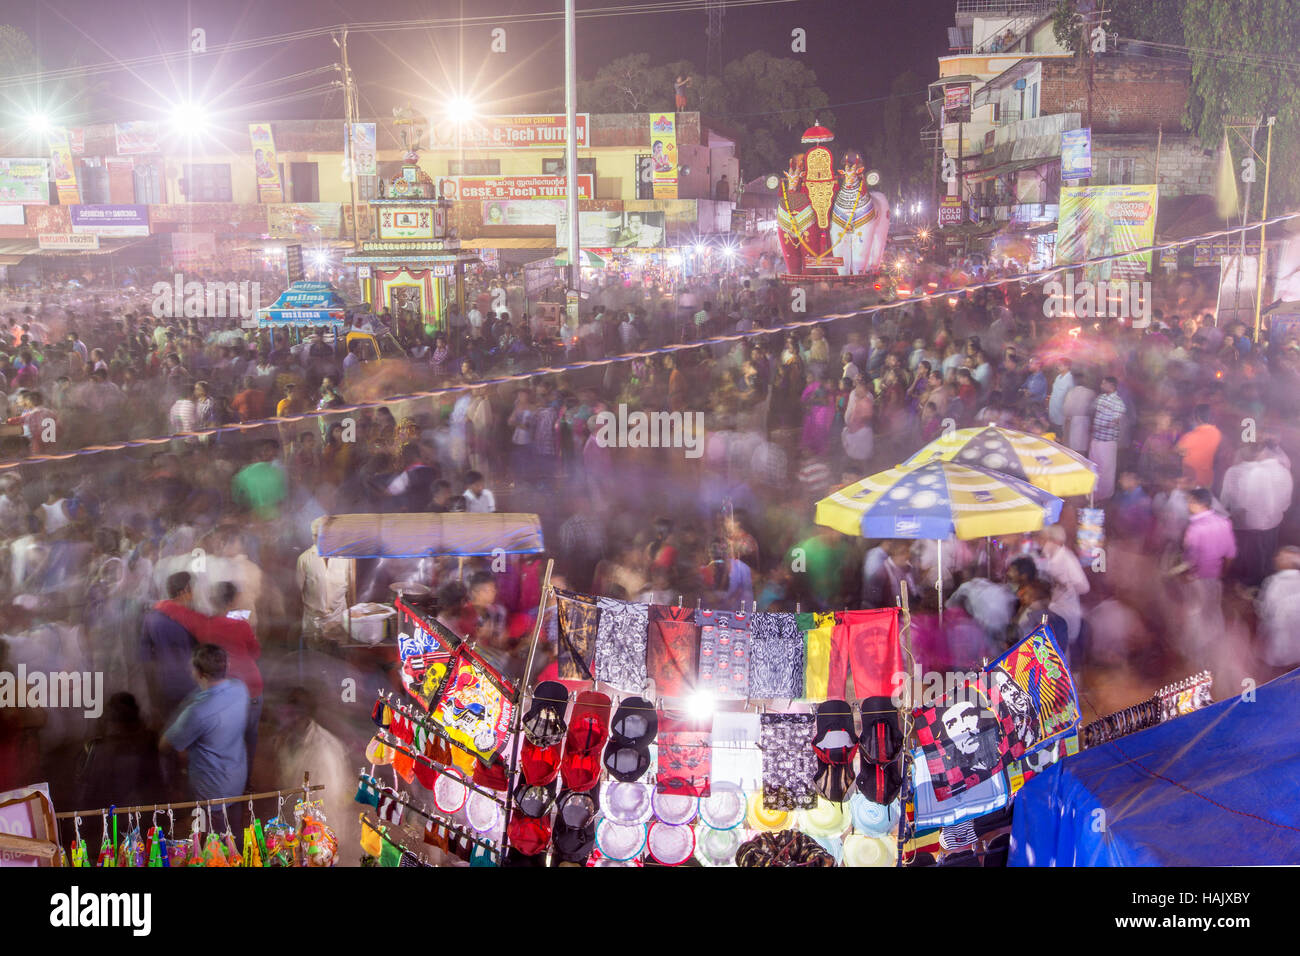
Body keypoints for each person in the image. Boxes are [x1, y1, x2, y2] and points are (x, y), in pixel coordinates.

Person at [152, 581, 264, 770]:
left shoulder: (202, 624)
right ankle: (247, 782)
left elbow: (173, 609)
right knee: (250, 736)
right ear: (233, 601)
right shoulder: (241, 626)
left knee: (227, 736)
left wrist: (160, 604)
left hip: (221, 690)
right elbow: (256, 653)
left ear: (213, 600)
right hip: (250, 688)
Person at [161, 644, 250, 813]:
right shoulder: (240, 689)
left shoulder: (197, 712)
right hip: (237, 782)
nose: (189, 672)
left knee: (211, 837)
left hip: (212, 792)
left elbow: (165, 745)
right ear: (226, 666)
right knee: (235, 832)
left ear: (200, 674)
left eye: (192, 668)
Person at [1220, 442, 1292, 588]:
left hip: (1253, 522)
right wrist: (1276, 512)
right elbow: (1286, 501)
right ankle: (1265, 577)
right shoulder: (1284, 470)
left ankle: (1253, 582)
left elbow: (1243, 503)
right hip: (1275, 519)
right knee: (1268, 548)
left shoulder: (1248, 473)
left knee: (1253, 552)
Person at [1180, 487, 1236, 657]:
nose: (1188, 505)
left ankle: (1196, 652)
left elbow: (1191, 559)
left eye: (1190, 501)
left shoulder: (1195, 529)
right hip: (1216, 576)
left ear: (1199, 504)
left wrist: (1188, 575)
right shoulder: (1224, 522)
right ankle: (1217, 646)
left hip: (1198, 578)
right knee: (1214, 610)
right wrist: (1222, 572)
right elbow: (1230, 553)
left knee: (1195, 613)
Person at [140, 571, 199, 725]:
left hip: (164, 682)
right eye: (192, 587)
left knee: (171, 727)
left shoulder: (151, 616)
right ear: (184, 591)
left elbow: (146, 655)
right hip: (189, 684)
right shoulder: (190, 618)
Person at [1257, 546, 1300, 668]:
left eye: (1280, 557)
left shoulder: (1274, 583)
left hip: (1281, 642)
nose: (1276, 559)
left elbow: (1265, 612)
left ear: (1288, 563)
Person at [1088, 375, 1126, 500]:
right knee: (1094, 465)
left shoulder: (1118, 402)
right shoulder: (1101, 398)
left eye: (1104, 384)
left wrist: (1100, 428)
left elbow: (1115, 421)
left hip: (1107, 441)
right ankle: (1094, 493)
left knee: (1106, 468)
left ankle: (1105, 495)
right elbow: (1094, 412)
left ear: (1111, 386)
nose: (1101, 386)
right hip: (1096, 438)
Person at [1176, 404, 1222, 488]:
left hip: (1191, 481)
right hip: (1208, 479)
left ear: (1197, 417)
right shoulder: (1217, 433)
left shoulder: (1191, 436)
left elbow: (1178, 451)